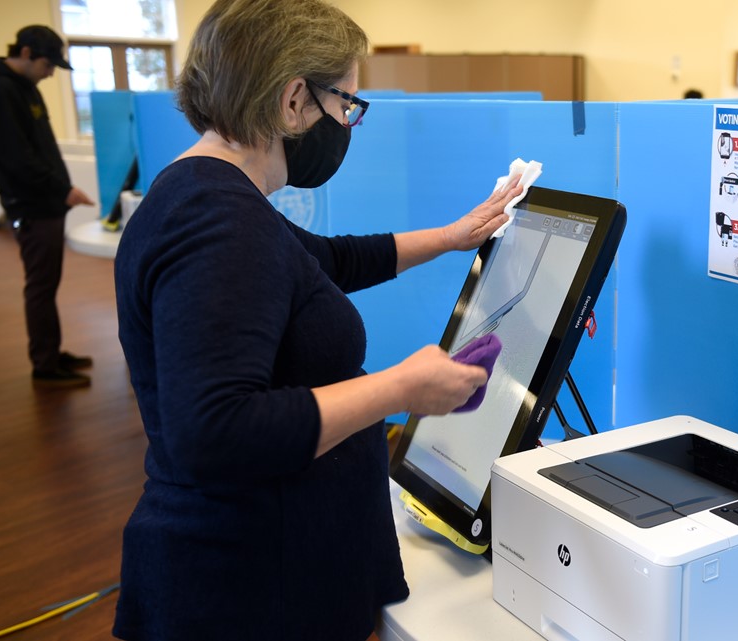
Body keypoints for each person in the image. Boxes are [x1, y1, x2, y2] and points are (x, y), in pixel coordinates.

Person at [111, 0, 523, 639]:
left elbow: (325, 261)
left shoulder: (205, 191)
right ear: (295, 100)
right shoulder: (219, 222)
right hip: (247, 590)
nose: (349, 125)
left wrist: (450, 237)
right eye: (347, 105)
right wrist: (400, 389)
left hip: (254, 567)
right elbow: (216, 433)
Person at [0, 25, 96, 388]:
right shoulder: (4, 91)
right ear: (25, 53)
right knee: (40, 286)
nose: (51, 71)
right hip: (32, 206)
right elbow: (18, 159)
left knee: (46, 283)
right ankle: (44, 365)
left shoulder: (24, 89)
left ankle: (52, 352)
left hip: (45, 204)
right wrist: (63, 189)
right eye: (46, 63)